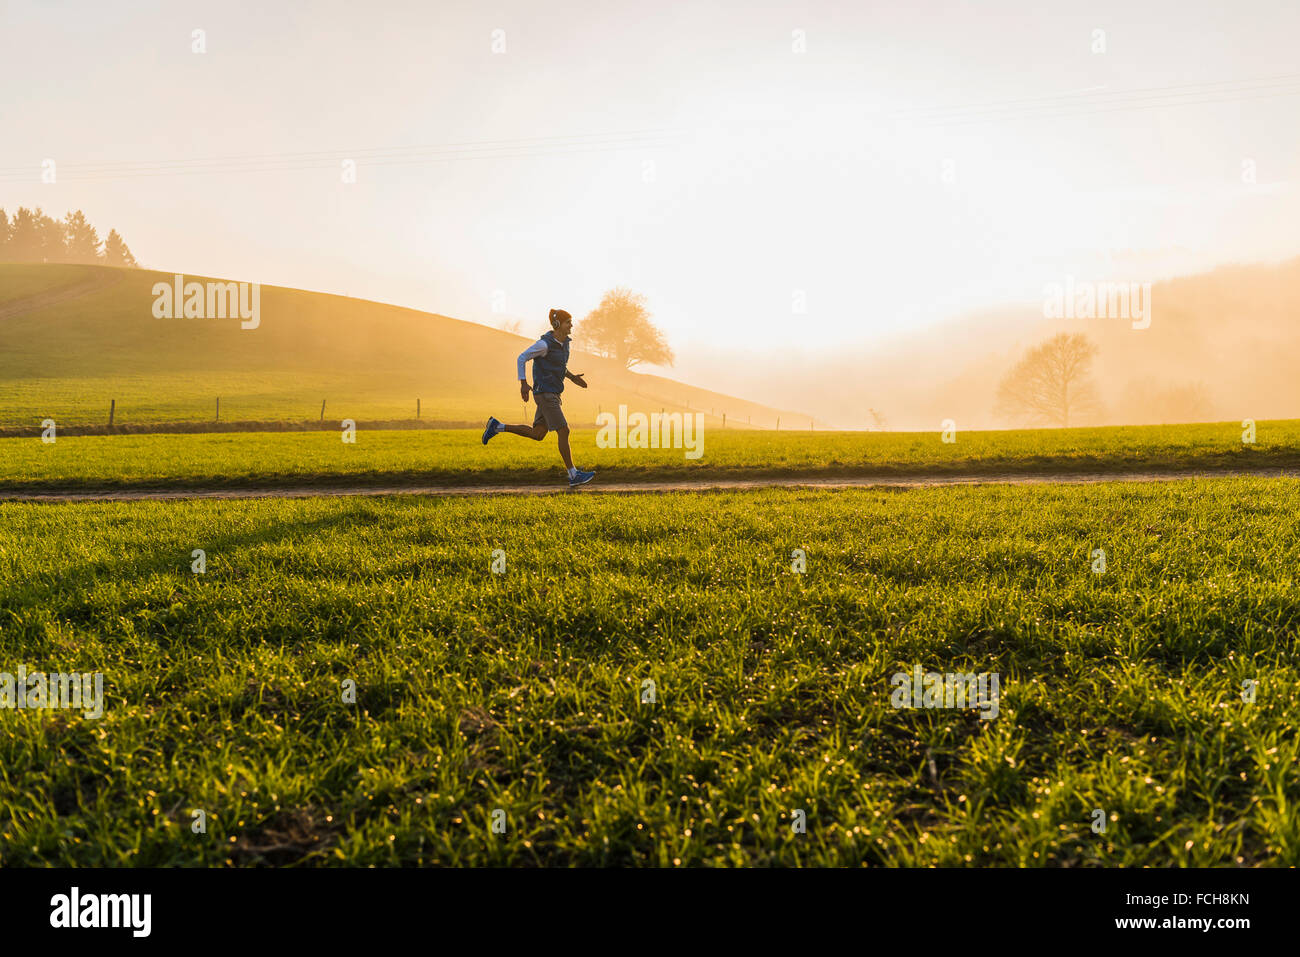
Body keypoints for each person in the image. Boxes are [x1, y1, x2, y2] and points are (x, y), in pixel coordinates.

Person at [482, 308, 596, 487]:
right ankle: (573, 474)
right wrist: (523, 383)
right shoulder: (544, 345)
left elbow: (558, 366)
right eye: (568, 322)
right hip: (545, 394)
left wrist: (573, 378)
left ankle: (497, 427)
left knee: (538, 434)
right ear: (557, 324)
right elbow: (521, 358)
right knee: (564, 431)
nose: (571, 325)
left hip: (553, 393)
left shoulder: (564, 344)